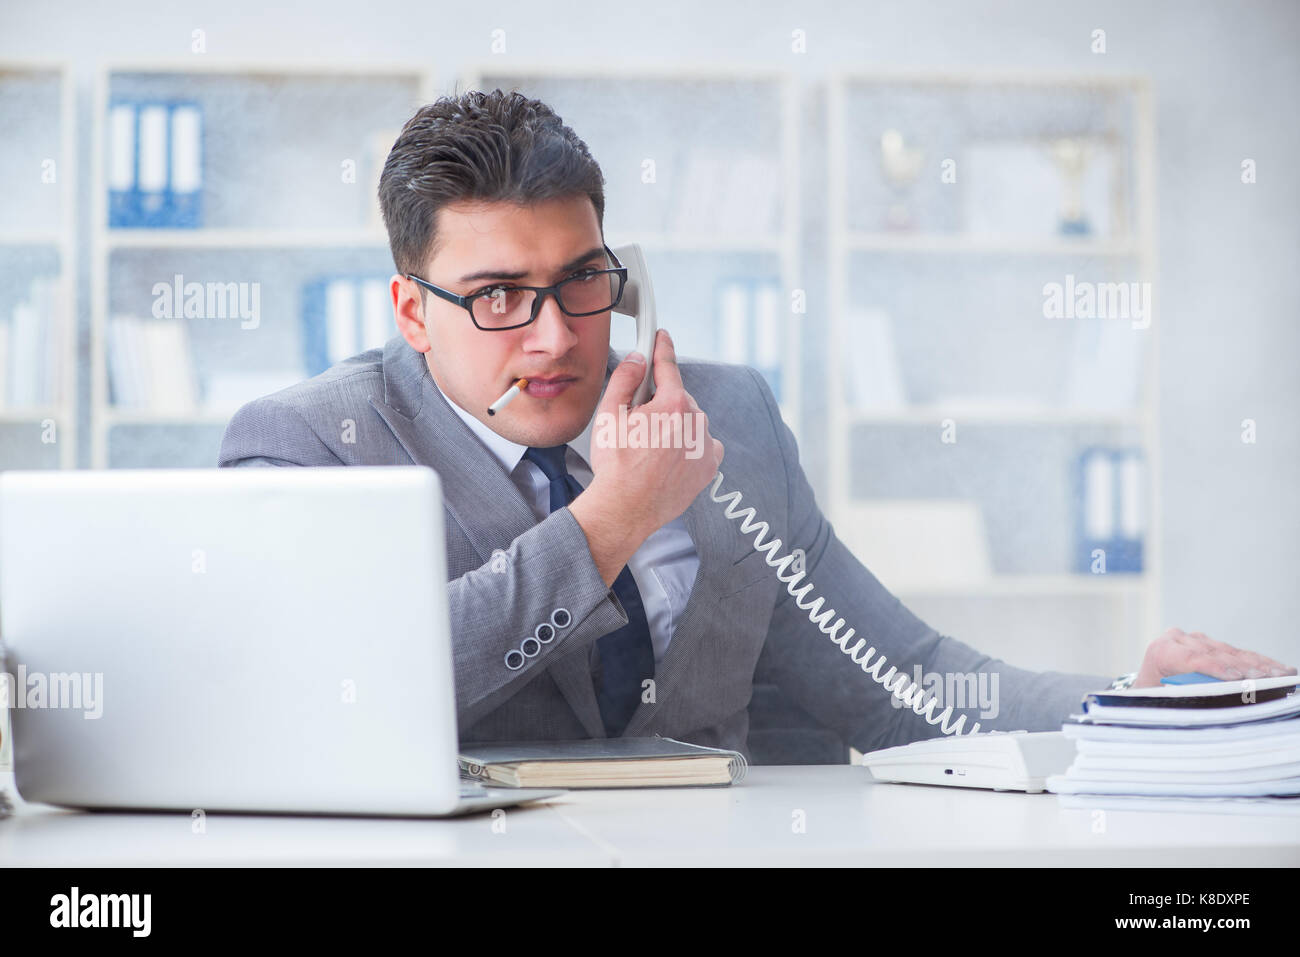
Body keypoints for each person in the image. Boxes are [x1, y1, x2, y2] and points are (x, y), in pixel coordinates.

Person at [218, 89, 1294, 759]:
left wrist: (1131, 701)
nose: (552, 336)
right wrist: (613, 521)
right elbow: (342, 693)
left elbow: (897, 682)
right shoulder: (312, 442)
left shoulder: (723, 416)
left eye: (582, 280)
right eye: (497, 295)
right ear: (412, 310)